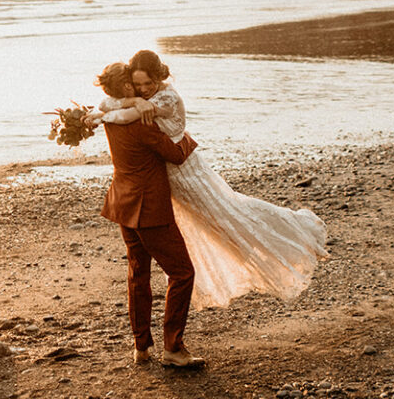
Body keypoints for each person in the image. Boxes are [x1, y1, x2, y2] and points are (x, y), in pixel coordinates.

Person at [89, 51, 329, 313]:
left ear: (159, 77)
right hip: (167, 177)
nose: (144, 90)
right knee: (212, 226)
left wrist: (106, 114)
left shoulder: (166, 98)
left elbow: (124, 116)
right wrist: (132, 102)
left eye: (149, 83)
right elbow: (112, 106)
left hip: (187, 174)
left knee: (231, 214)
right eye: (138, 85)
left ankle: (294, 236)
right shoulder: (139, 103)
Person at [92, 62, 204, 368]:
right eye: (134, 83)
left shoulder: (110, 118)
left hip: (122, 203)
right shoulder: (142, 123)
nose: (140, 89)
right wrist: (188, 138)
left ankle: (141, 346)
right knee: (182, 273)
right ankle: (173, 348)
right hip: (149, 209)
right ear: (127, 87)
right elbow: (176, 155)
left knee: (138, 273)